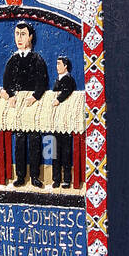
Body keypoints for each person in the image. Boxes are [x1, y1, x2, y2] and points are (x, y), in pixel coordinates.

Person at [0, 21, 49, 188]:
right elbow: (7, 82)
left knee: (34, 141)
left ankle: (35, 176)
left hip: (32, 104)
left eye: (23, 34)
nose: (19, 38)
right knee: (19, 141)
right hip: (18, 105)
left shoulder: (37, 59)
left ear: (30, 37)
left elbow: (42, 82)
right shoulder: (13, 60)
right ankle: (20, 175)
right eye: (17, 34)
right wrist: (11, 95)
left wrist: (34, 97)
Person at [52, 55, 77, 189]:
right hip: (56, 121)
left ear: (65, 66)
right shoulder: (58, 79)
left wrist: (58, 99)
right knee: (54, 151)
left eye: (59, 64)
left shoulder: (68, 79)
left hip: (65, 121)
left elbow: (67, 91)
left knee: (66, 152)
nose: (57, 67)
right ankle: (56, 179)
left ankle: (67, 179)